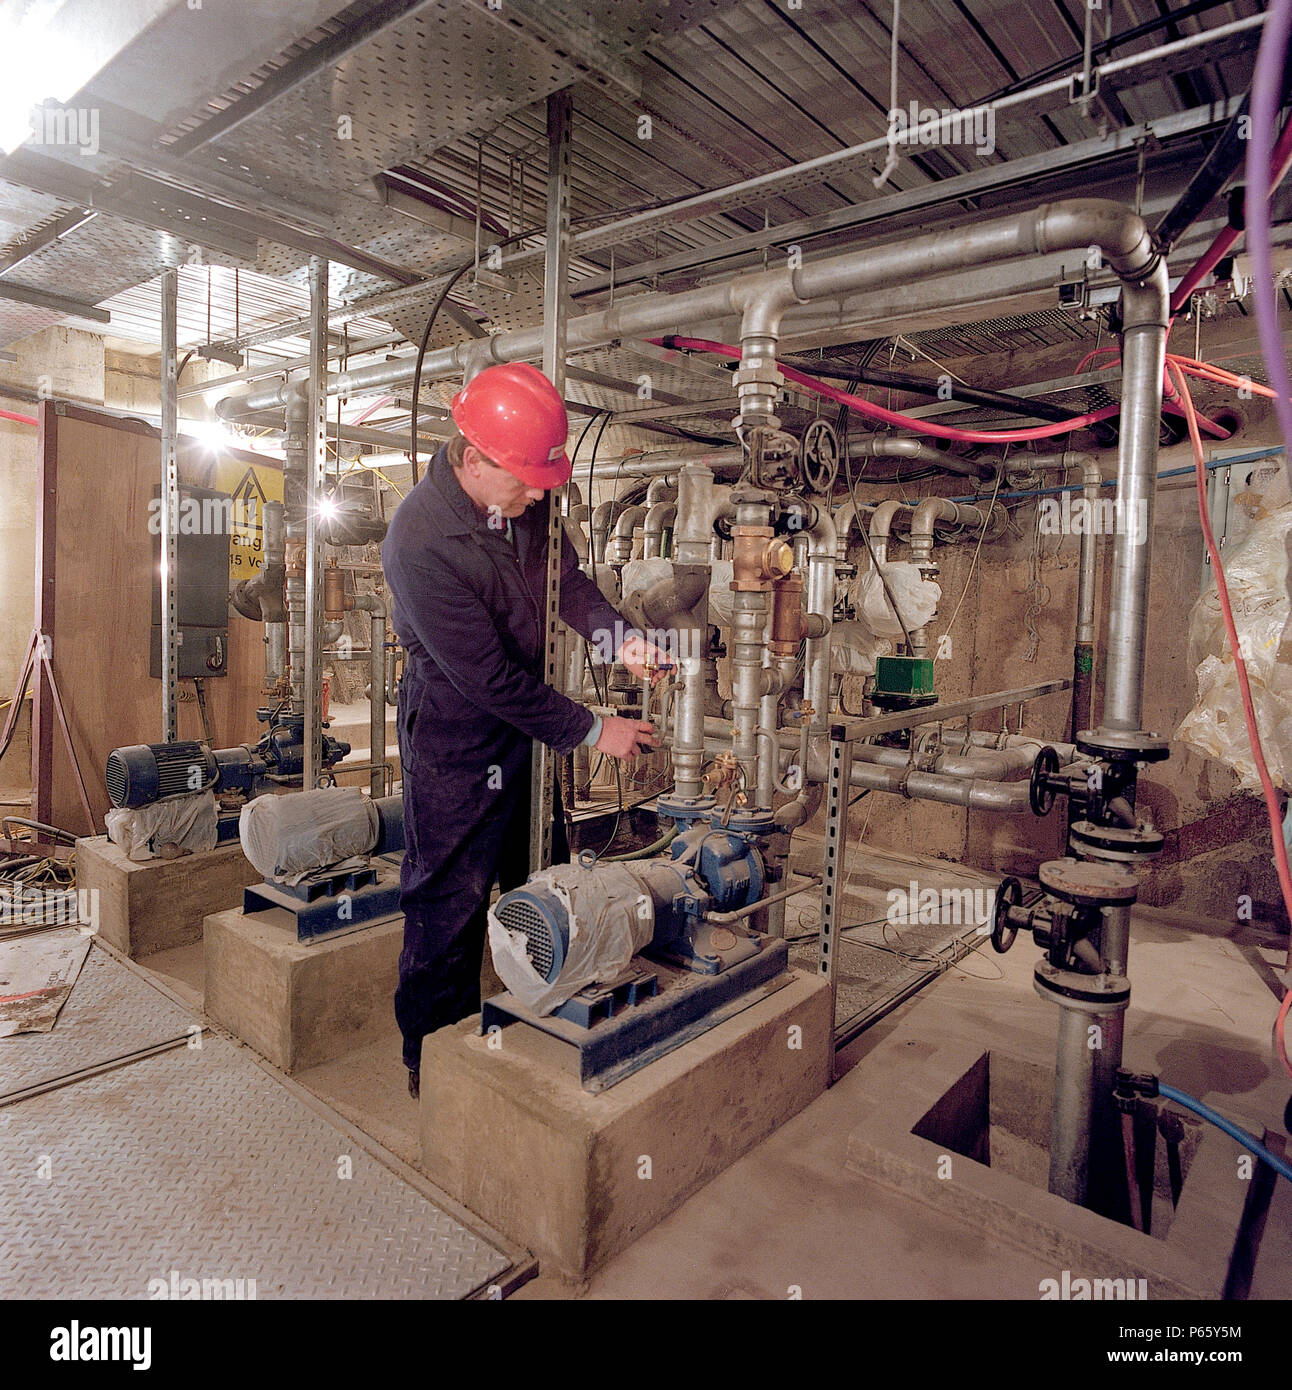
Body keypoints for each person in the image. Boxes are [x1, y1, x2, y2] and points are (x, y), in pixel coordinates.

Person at [381, 362, 668, 1098]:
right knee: (449, 900)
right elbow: (486, 681)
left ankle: (531, 1021)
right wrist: (591, 729)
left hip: (524, 731)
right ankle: (434, 1060)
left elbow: (565, 583)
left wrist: (616, 639)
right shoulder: (420, 540)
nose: (540, 493)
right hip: (455, 735)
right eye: (525, 478)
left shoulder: (523, 499)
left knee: (539, 878)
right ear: (472, 459)